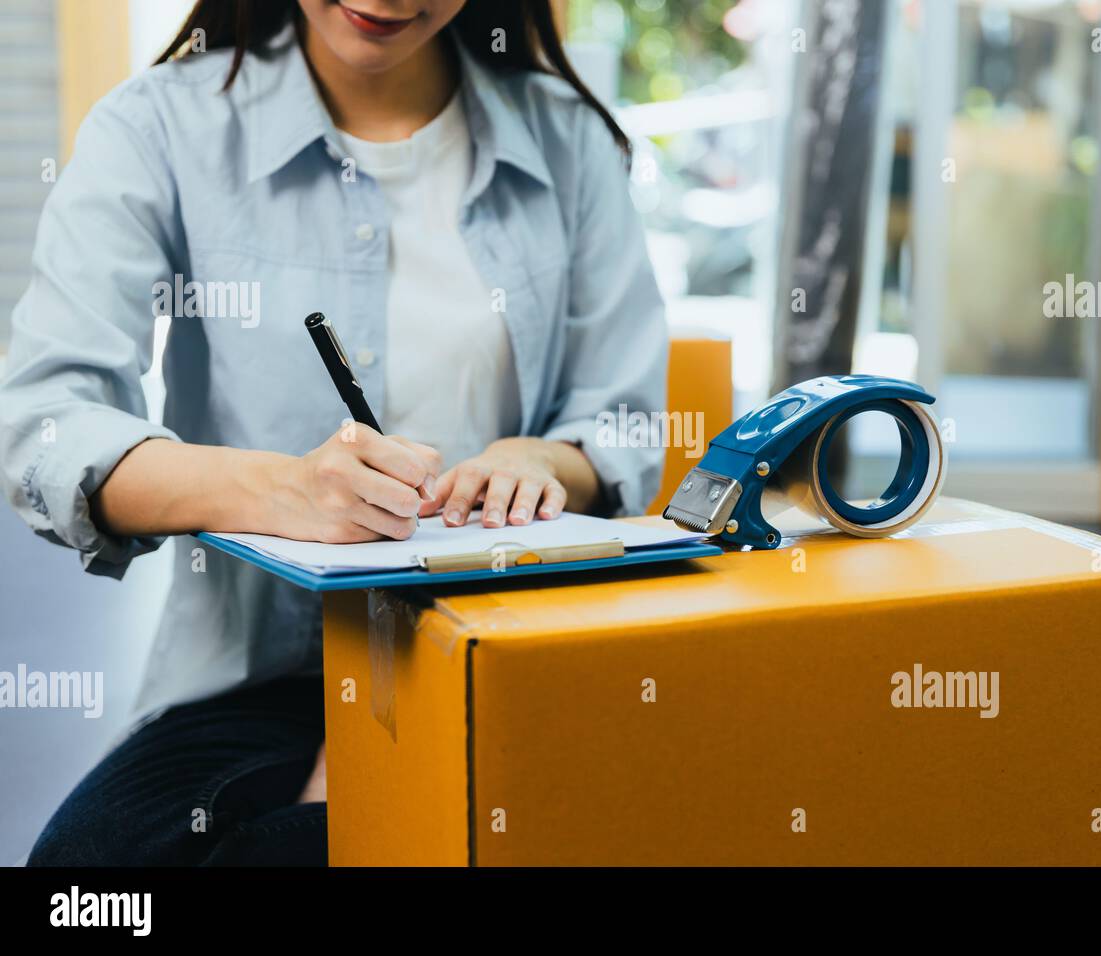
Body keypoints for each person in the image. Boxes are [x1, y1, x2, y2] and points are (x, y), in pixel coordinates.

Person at [0, 0, 665, 865]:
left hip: (503, 660)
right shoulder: (158, 126)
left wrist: (544, 460)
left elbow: (622, 421)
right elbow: (47, 427)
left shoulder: (570, 140)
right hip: (263, 677)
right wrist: (283, 491)